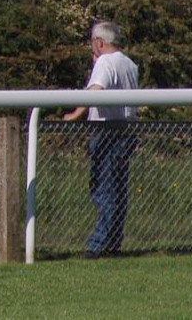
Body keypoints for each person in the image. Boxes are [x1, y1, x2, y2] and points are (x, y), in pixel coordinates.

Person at [62, 21, 139, 259]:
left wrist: (74, 114)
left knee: (103, 189)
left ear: (99, 42)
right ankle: (113, 242)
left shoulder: (106, 62)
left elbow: (96, 89)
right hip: (126, 131)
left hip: (106, 132)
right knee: (117, 189)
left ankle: (97, 244)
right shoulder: (129, 64)